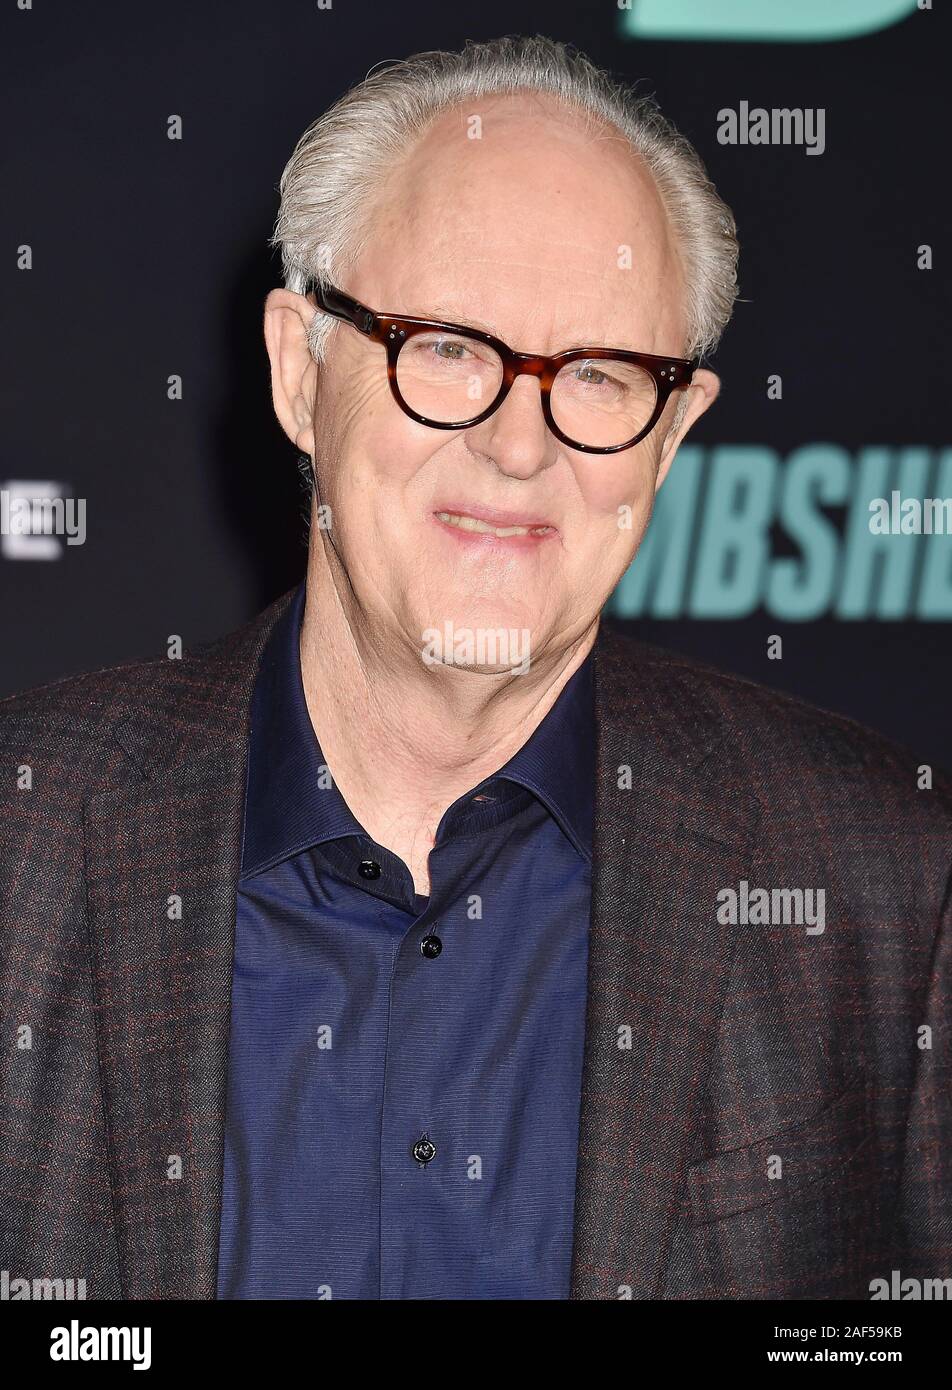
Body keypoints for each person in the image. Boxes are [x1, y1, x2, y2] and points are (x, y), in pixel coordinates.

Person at [1, 35, 949, 1301]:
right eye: (447, 347)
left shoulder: (879, 881)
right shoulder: (24, 845)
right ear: (299, 370)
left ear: (669, 439)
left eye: (603, 374)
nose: (517, 445)